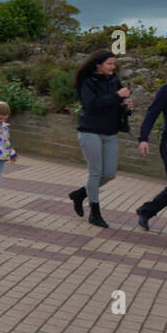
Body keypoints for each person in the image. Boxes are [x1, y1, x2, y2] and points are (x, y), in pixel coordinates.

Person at [68, 49, 132, 227]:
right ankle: (94, 213)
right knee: (95, 172)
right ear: (98, 64)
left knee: (109, 173)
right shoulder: (87, 81)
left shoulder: (114, 80)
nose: (113, 66)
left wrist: (126, 106)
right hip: (90, 131)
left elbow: (117, 103)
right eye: (109, 63)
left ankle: (80, 194)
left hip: (110, 132)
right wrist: (117, 96)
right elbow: (92, 104)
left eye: (114, 63)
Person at [135, 77, 167, 232]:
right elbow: (152, 114)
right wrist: (143, 139)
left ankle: (147, 210)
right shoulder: (166, 90)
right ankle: (147, 210)